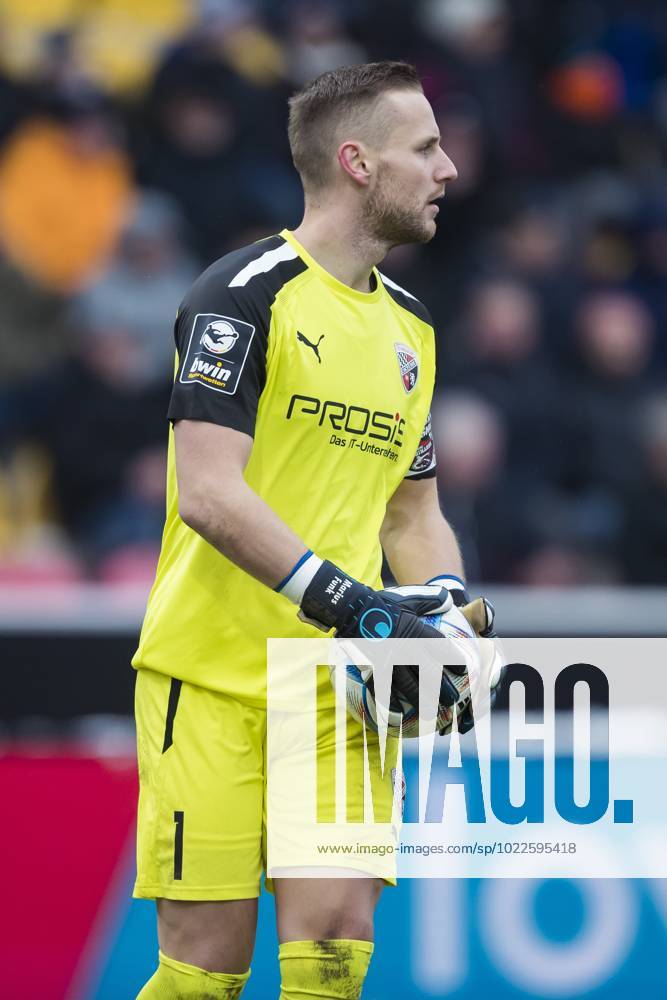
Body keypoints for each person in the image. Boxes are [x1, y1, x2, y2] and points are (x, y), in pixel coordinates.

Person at [132, 61, 493, 1000]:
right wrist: (363, 612)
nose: (447, 168)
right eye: (426, 148)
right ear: (357, 162)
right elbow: (209, 494)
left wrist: (445, 615)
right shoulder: (243, 293)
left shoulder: (413, 330)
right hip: (210, 677)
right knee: (200, 976)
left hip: (339, 695)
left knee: (332, 961)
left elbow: (412, 513)